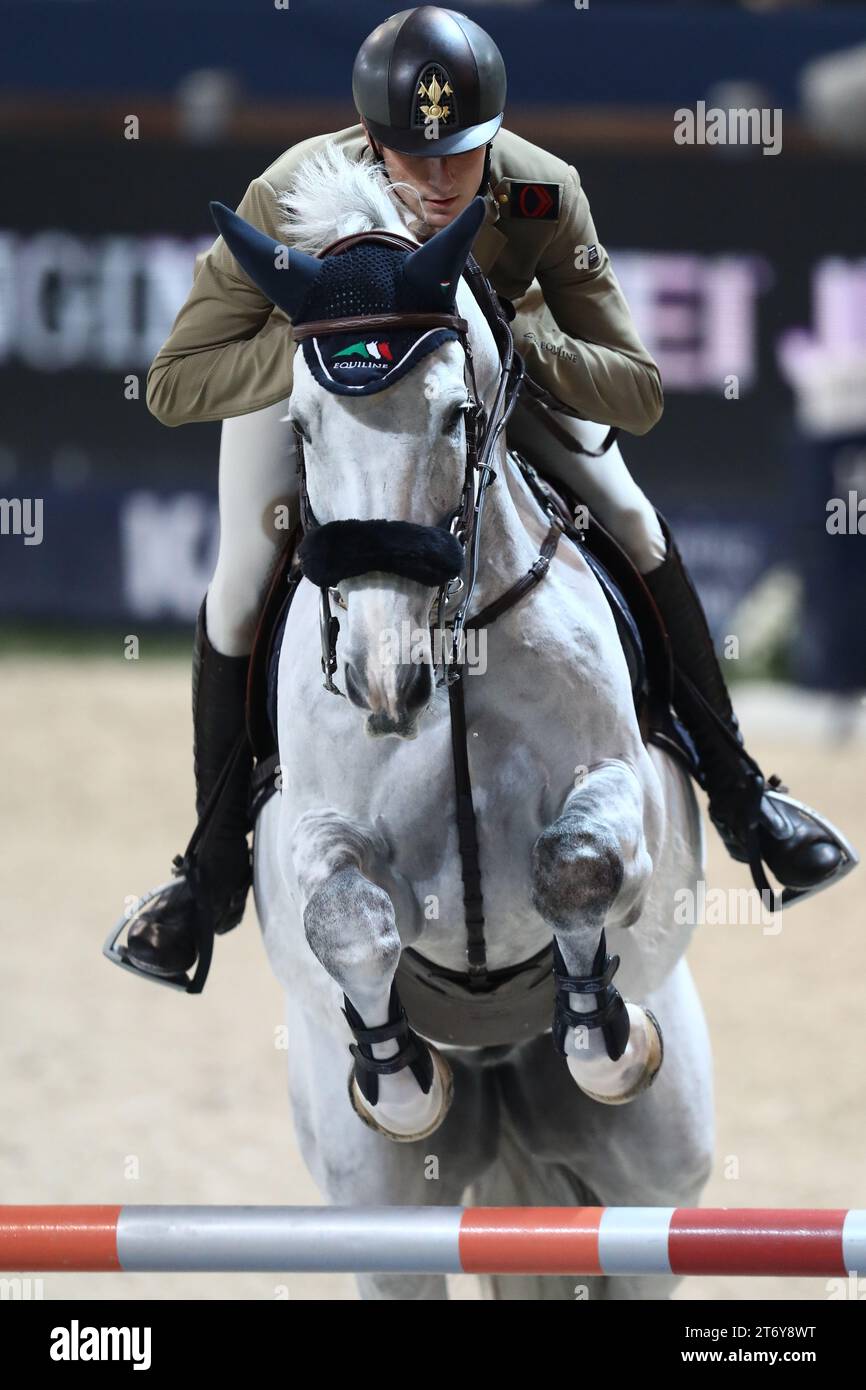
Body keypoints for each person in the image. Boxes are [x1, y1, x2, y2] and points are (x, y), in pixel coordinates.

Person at [120, 5, 847, 987]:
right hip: (324, 400)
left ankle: (743, 799)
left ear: (490, 136)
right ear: (368, 139)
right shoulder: (291, 188)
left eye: (457, 157)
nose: (432, 182)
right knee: (244, 580)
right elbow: (173, 381)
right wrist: (326, 339)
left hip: (488, 388)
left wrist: (497, 331)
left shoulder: (540, 195)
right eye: (407, 157)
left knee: (627, 514)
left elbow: (634, 387)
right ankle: (203, 881)